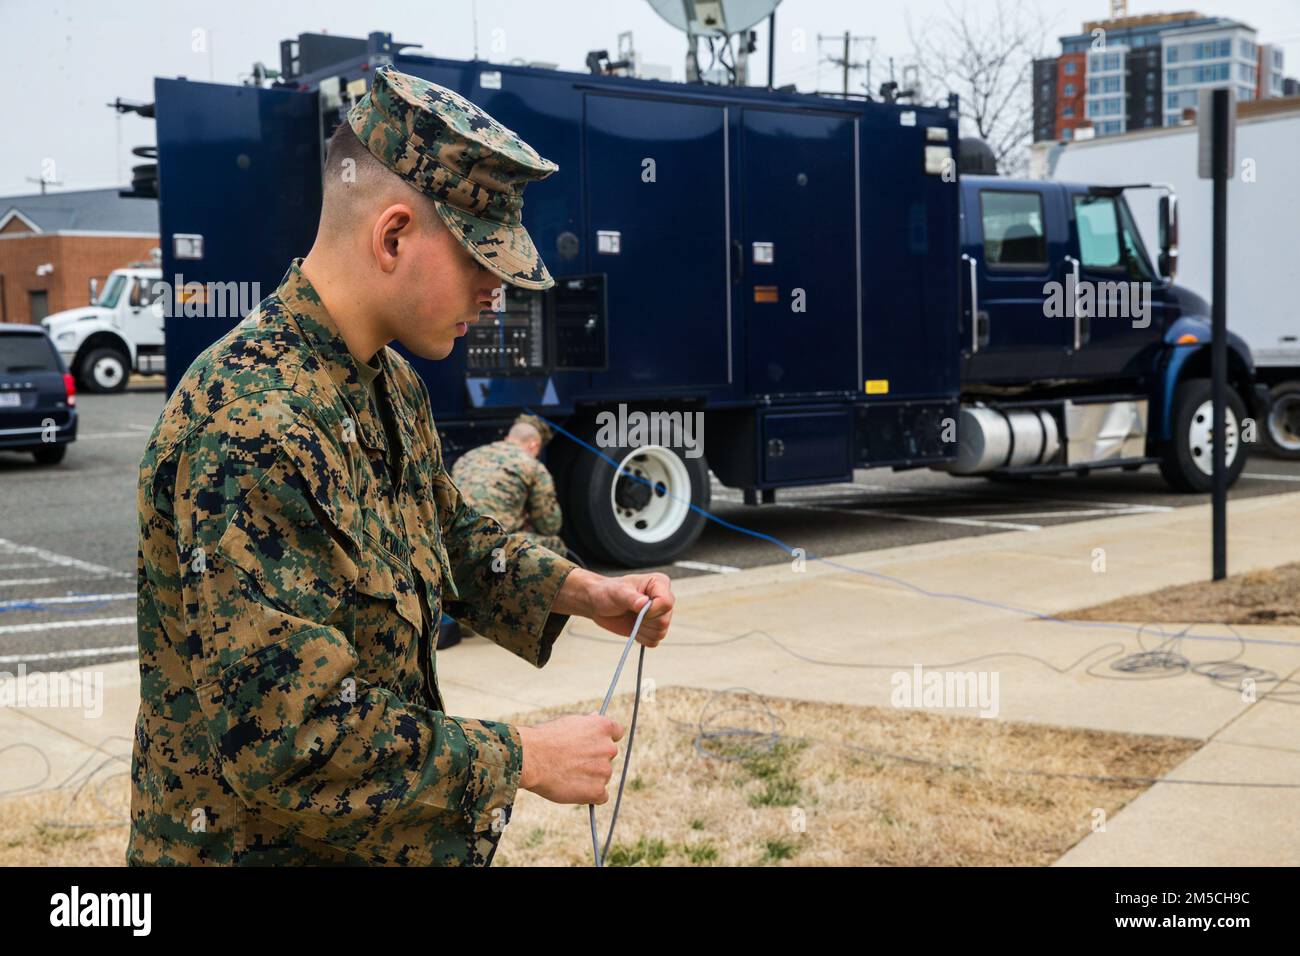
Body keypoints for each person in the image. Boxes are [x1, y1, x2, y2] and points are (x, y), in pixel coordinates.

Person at [128, 66, 674, 867]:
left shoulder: (387, 383)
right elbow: (291, 739)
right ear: (392, 236)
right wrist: (523, 756)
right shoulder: (251, 421)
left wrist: (581, 591)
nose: (496, 292)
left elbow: (442, 531)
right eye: (480, 262)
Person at [451, 413, 566, 554]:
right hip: (492, 544)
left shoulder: (467, 457)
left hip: (455, 540)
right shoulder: (532, 466)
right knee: (555, 544)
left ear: (507, 439)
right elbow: (549, 524)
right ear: (534, 445)